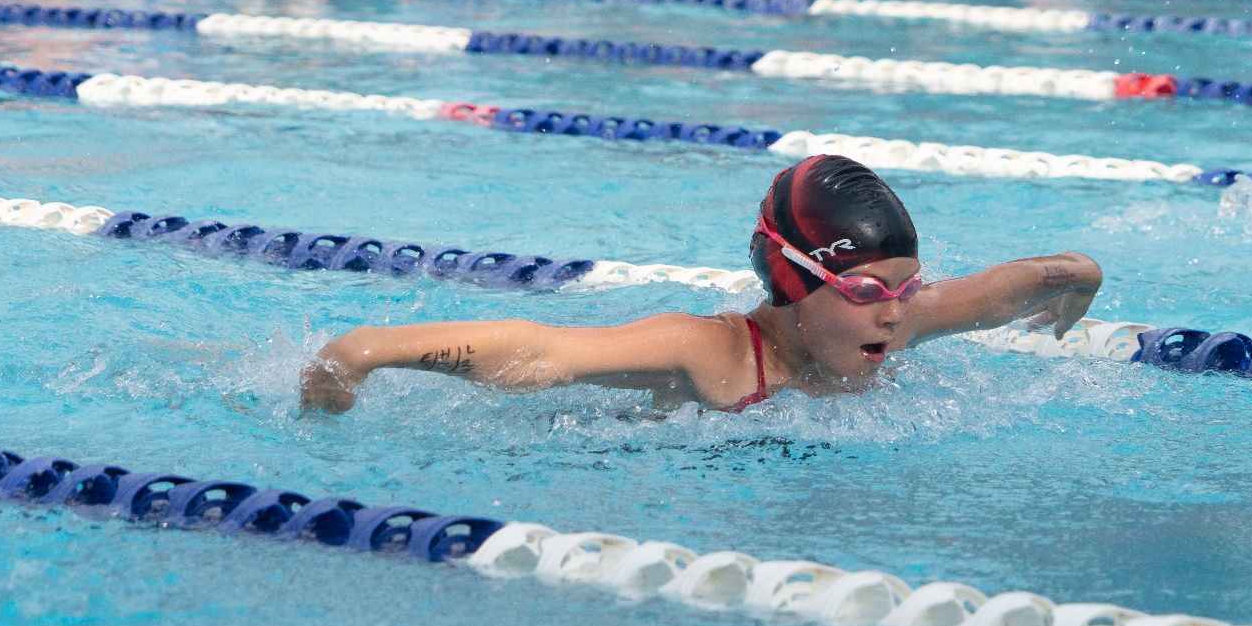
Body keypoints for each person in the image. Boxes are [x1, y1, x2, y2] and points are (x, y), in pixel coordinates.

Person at [299, 156, 1105, 414]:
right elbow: (545, 351)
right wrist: (368, 350)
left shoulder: (896, 322)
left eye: (907, 288)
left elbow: (1012, 285)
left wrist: (1079, 281)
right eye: (866, 291)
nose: (895, 313)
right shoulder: (714, 354)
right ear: (792, 279)